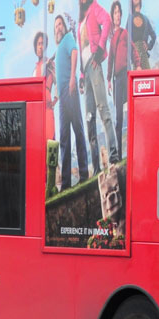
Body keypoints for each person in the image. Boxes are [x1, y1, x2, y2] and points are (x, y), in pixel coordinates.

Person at [53, 13, 93, 189]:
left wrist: (71, 79)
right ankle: (66, 183)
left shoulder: (68, 38)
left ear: (64, 26)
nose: (58, 27)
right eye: (56, 26)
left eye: (60, 24)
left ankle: (83, 174)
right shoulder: (59, 48)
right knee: (64, 136)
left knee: (77, 130)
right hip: (62, 96)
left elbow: (75, 52)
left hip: (70, 91)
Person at [76, 0, 112, 167]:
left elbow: (107, 20)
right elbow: (81, 49)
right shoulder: (80, 21)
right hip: (85, 70)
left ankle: (113, 157)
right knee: (89, 118)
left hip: (94, 63)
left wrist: (100, 48)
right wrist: (81, 77)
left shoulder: (95, 8)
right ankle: (97, 167)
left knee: (103, 109)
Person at [107, 0, 130, 162]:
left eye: (119, 13)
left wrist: (138, 65)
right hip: (116, 81)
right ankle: (119, 155)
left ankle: (131, 150)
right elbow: (110, 61)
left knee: (129, 113)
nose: (117, 15)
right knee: (118, 119)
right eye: (115, 13)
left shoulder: (125, 33)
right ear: (112, 16)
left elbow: (132, 49)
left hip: (125, 76)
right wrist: (108, 79)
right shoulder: (112, 39)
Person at [129, 0, 157, 70]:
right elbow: (126, 39)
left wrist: (148, 46)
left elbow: (154, 36)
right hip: (135, 57)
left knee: (147, 76)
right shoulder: (130, 18)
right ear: (131, 0)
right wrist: (134, 58)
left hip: (144, 56)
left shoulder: (145, 19)